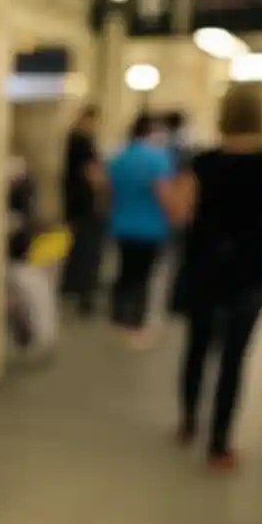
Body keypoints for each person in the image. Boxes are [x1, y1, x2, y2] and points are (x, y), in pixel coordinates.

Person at [175, 83, 262, 470]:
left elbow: (181, 212)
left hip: (204, 263)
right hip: (249, 269)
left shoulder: (203, 161)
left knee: (196, 345)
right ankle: (219, 444)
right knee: (233, 357)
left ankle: (188, 419)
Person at [107, 113, 175, 346]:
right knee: (143, 277)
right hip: (149, 227)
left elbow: (107, 190)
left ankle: (117, 316)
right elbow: (164, 193)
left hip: (122, 224)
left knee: (125, 271)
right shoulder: (157, 159)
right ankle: (135, 323)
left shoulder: (120, 157)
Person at [60, 106, 105, 316]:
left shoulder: (72, 140)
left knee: (77, 245)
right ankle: (84, 290)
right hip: (85, 204)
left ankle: (71, 285)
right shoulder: (83, 143)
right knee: (88, 249)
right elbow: (92, 174)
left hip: (74, 202)